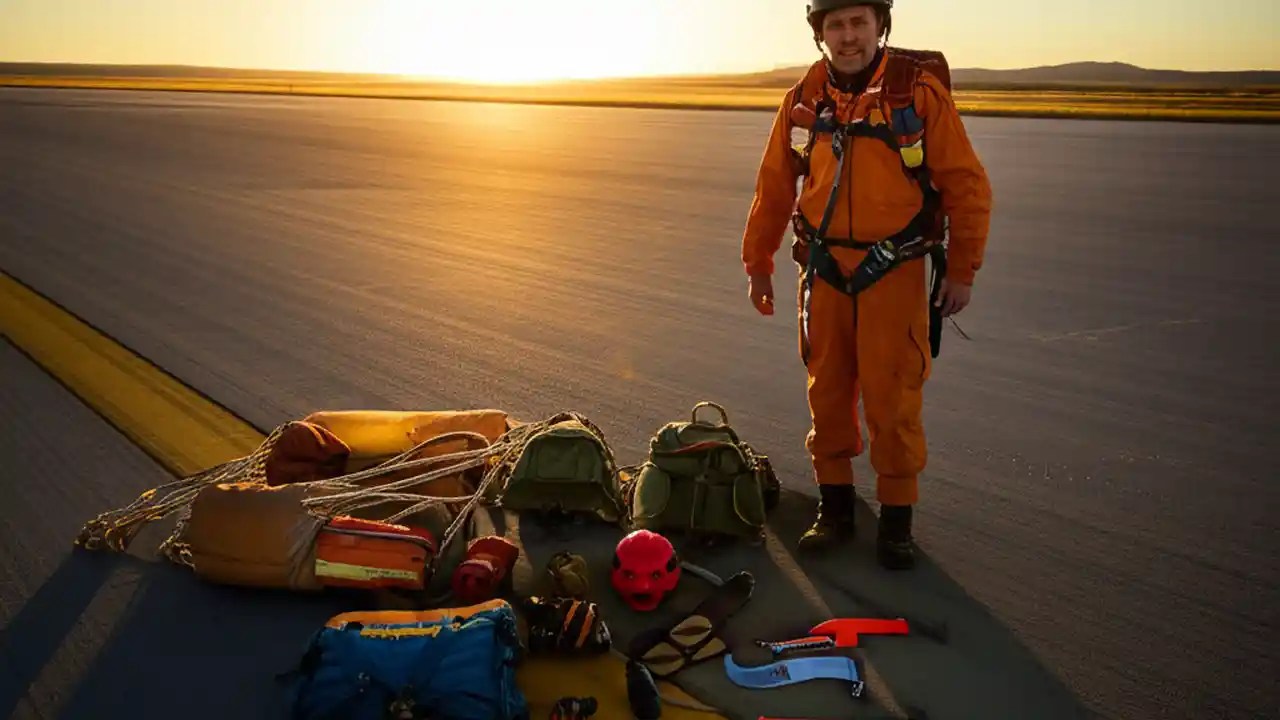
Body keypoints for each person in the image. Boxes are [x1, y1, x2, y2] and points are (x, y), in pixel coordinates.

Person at [739, 0, 992, 569]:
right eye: (836, 24)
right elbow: (773, 187)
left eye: (859, 22)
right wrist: (758, 262)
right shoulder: (802, 103)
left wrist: (961, 270)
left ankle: (896, 521)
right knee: (826, 388)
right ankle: (836, 509)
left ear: (881, 26)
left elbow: (967, 186)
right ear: (819, 33)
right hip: (823, 268)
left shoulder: (918, 95)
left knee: (893, 392)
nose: (848, 36)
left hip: (893, 270)